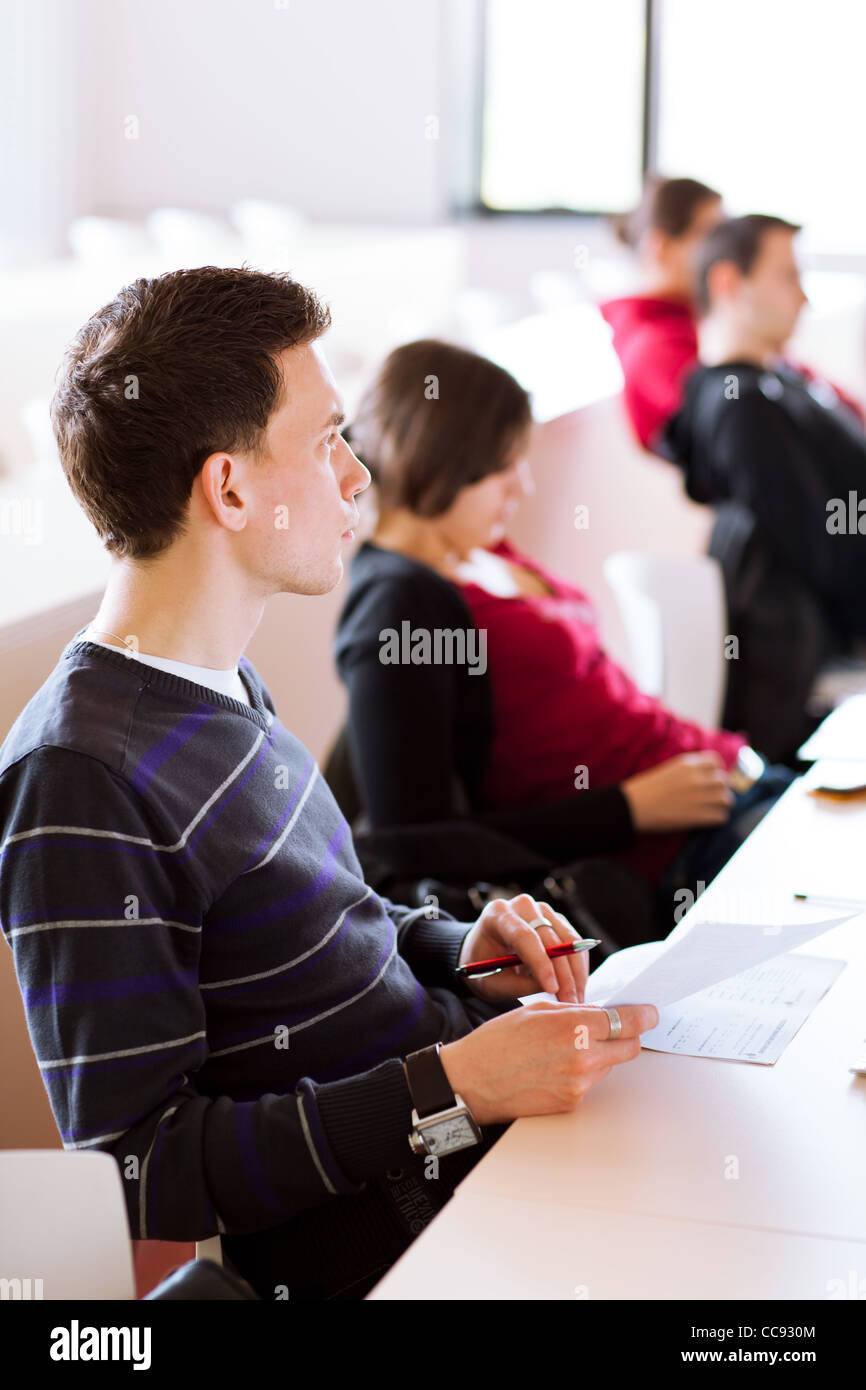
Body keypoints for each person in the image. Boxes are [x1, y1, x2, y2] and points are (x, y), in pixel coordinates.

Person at [0, 268, 659, 1301]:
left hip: (458, 1150)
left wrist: (458, 945)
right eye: (325, 440)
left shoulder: (215, 681)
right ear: (229, 489)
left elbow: (331, 922)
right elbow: (141, 1167)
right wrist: (451, 1086)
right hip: (387, 1242)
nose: (356, 476)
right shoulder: (77, 778)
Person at [334, 340, 793, 932]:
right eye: (502, 466)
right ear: (442, 459)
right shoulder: (397, 600)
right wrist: (628, 810)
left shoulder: (477, 548)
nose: (520, 486)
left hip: (728, 779)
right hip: (676, 849)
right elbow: (408, 840)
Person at [660, 214, 866, 763]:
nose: (804, 298)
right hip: (809, 675)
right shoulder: (742, 403)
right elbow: (826, 551)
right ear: (730, 285)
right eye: (788, 277)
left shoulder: (774, 386)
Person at [599, 174, 724, 452]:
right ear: (661, 247)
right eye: (711, 239)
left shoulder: (700, 321)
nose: (726, 255)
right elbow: (731, 427)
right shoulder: (657, 345)